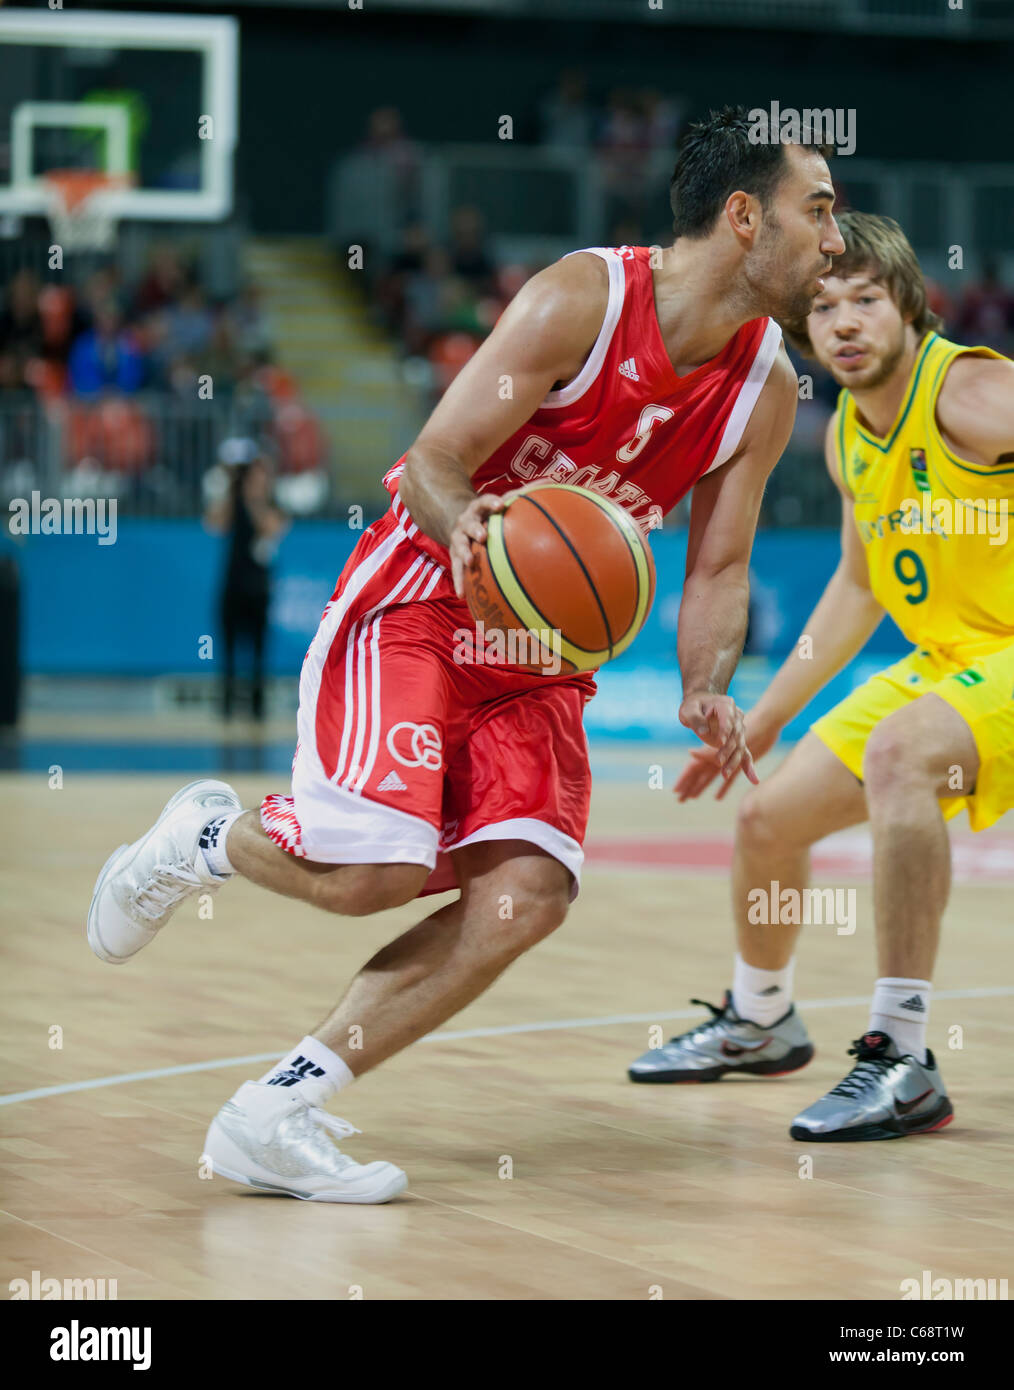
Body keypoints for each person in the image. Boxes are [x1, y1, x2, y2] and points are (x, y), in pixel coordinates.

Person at [87, 107, 842, 1201]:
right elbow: (434, 460)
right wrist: (475, 531)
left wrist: (705, 687)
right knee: (373, 874)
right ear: (743, 216)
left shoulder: (764, 385)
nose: (835, 238)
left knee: (527, 893)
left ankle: (275, 1112)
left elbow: (721, 568)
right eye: (818, 210)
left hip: (542, 661)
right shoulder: (582, 300)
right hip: (424, 603)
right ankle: (202, 839)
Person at [631, 212, 1014, 1143]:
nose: (844, 322)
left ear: (909, 304)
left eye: (865, 300)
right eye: (824, 305)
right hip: (955, 659)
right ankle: (762, 1018)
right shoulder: (849, 432)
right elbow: (859, 586)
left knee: (900, 754)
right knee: (769, 818)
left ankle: (902, 1057)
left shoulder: (969, 393)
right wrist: (764, 719)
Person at [204, 441, 287, 721]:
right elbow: (214, 523)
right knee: (228, 649)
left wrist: (256, 499)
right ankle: (227, 705)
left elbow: (271, 528)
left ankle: (256, 706)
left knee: (258, 651)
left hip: (259, 588)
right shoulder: (233, 501)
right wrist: (229, 487)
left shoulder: (271, 504)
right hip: (232, 584)